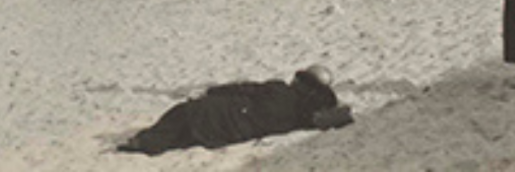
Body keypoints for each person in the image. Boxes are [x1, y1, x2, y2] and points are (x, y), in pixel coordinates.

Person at [117, 65, 352, 156]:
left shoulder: (278, 89)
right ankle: (152, 142)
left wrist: (212, 91)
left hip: (222, 113)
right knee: (188, 132)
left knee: (182, 114)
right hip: (234, 133)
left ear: (302, 81)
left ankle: (144, 142)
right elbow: (340, 115)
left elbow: (243, 89)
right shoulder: (306, 115)